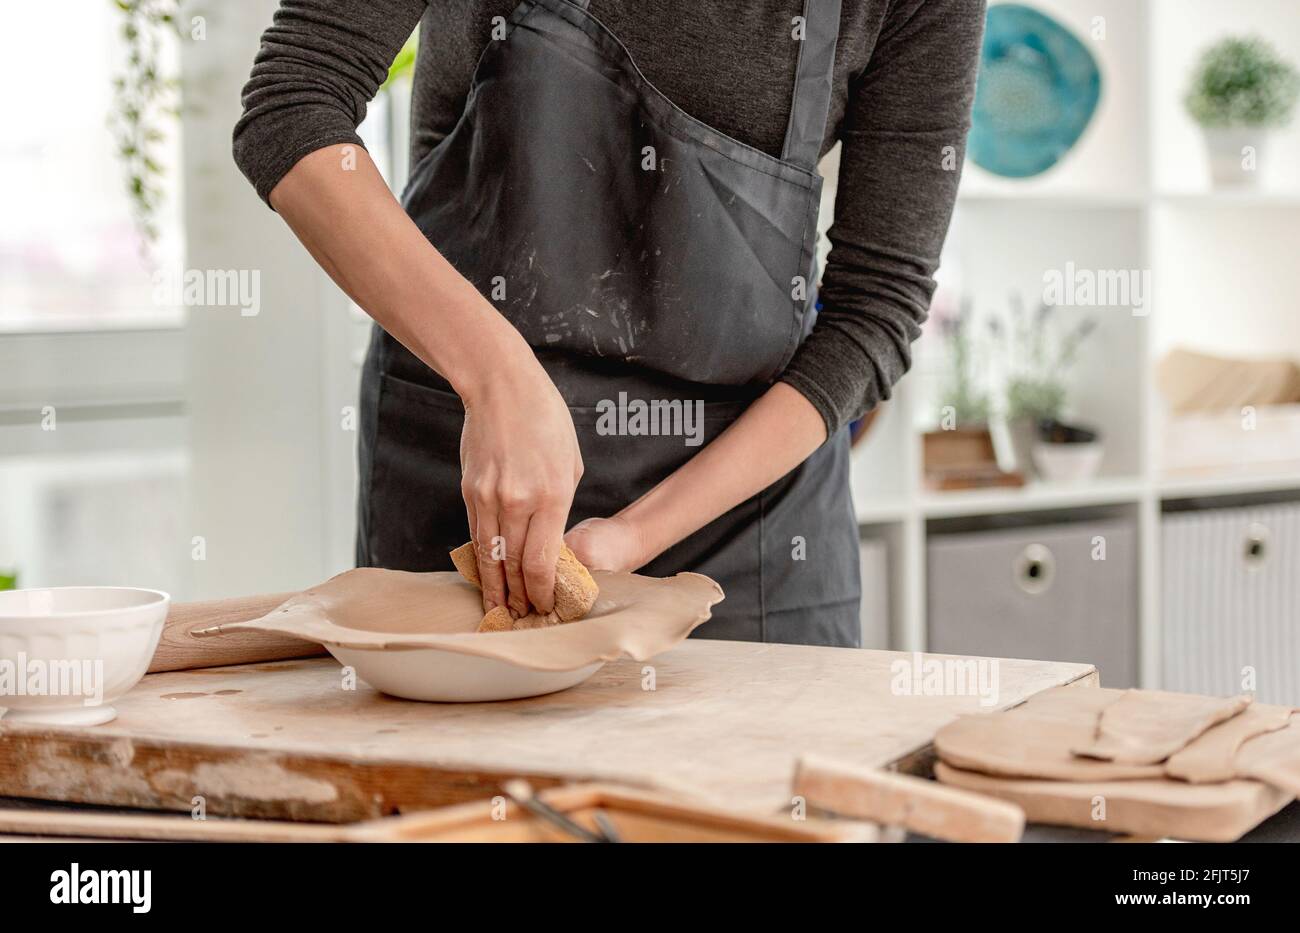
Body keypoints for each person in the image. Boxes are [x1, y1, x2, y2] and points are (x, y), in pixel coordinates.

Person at [233, 0, 985, 646]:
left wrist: (633, 537)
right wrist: (497, 380)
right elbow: (293, 106)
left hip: (745, 530)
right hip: (467, 485)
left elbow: (876, 305)